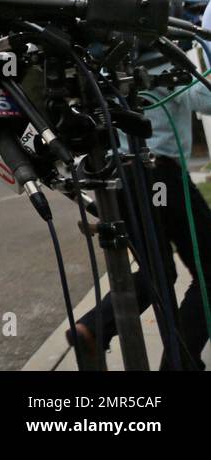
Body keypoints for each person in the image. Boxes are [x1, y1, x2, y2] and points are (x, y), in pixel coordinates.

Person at [71, 58, 211, 369]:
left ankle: (93, 326)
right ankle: (182, 364)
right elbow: (206, 100)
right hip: (160, 172)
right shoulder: (164, 61)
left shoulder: (104, 65)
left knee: (157, 272)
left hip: (121, 178)